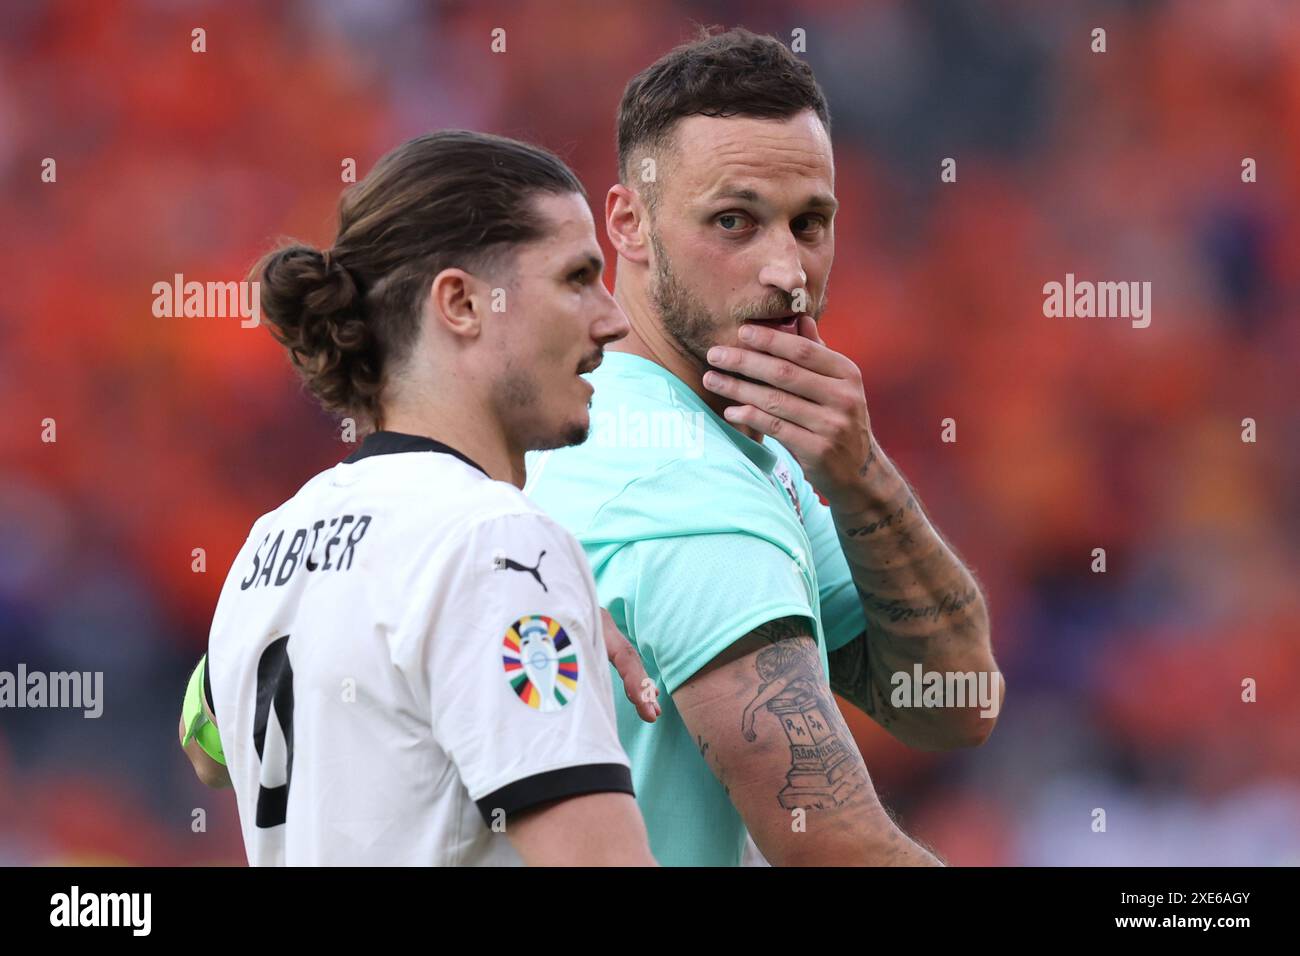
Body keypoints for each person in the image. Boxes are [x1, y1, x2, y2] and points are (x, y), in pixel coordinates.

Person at [525, 29, 1004, 866]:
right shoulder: (677, 483)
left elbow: (953, 704)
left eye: (810, 222)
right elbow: (834, 846)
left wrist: (863, 480)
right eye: (735, 222)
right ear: (629, 224)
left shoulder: (726, 442)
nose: (788, 269)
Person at [178, 129, 659, 866]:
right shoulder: (496, 543)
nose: (611, 317)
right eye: (576, 278)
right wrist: (524, 598)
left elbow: (203, 743)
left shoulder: (268, 544)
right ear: (462, 303)